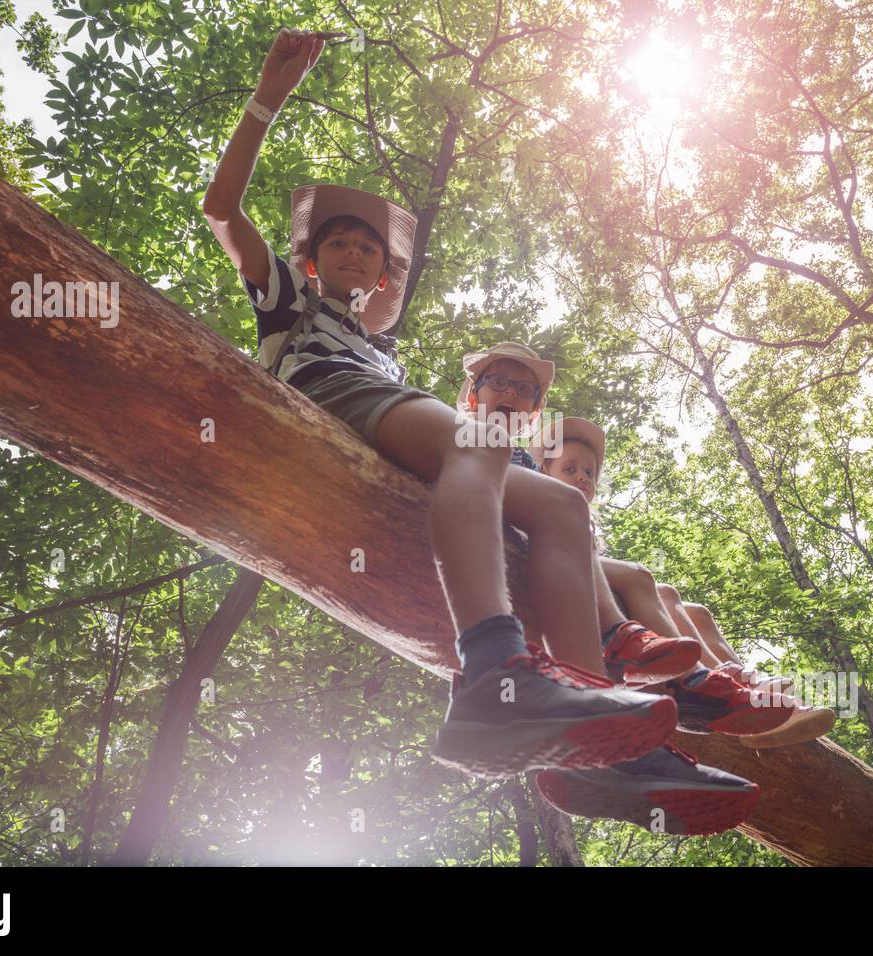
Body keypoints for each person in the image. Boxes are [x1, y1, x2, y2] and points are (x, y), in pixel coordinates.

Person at [203, 28, 681, 782]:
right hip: (331, 396)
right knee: (482, 440)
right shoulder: (289, 302)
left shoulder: (384, 350)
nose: (358, 254)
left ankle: (594, 737)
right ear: (310, 261)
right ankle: (496, 670)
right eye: (341, 243)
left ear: (385, 279)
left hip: (382, 401)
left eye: (372, 249)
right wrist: (267, 99)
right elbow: (223, 211)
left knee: (562, 507)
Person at [458, 345, 763, 833]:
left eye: (526, 391)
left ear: (535, 412)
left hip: (544, 565)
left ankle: (637, 745)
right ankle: (652, 683)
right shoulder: (460, 435)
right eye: (498, 383)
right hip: (503, 566)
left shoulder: (526, 465)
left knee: (660, 593)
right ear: (471, 396)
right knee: (633, 575)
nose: (511, 395)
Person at [526, 415, 839, 750]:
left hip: (590, 583)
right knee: (643, 578)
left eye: (589, 472)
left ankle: (739, 680)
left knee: (693, 609)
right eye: (569, 469)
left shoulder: (583, 519)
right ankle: (716, 686)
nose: (582, 478)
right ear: (545, 472)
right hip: (555, 579)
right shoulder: (540, 503)